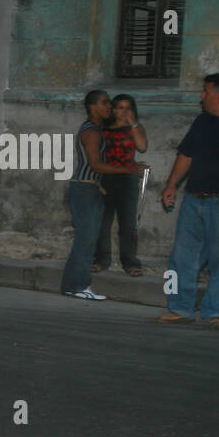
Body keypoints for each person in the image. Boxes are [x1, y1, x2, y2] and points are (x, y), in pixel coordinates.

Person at [60, 90, 149, 300]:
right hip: (85, 187)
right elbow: (95, 164)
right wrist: (129, 170)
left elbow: (141, 145)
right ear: (93, 106)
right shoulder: (92, 132)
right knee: (87, 239)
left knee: (87, 239)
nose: (109, 106)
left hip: (91, 187)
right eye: (105, 102)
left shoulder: (96, 129)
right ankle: (78, 285)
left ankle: (74, 285)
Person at [157, 73, 219, 328]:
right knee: (180, 257)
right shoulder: (201, 122)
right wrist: (171, 185)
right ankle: (179, 307)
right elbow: (186, 155)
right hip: (194, 199)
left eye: (204, 92)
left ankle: (216, 311)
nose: (200, 96)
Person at [93, 94, 148, 276]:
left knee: (128, 223)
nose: (124, 111)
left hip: (127, 179)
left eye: (128, 108)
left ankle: (130, 262)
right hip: (106, 177)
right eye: (120, 107)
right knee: (102, 222)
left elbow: (142, 146)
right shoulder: (103, 129)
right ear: (113, 109)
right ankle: (101, 260)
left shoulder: (135, 129)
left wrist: (133, 123)